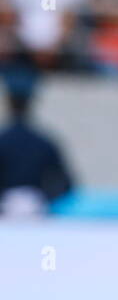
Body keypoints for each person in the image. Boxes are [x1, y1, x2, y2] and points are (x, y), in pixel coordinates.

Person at [0, 72, 75, 217]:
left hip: (16, 208)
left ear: (8, 102)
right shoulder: (44, 142)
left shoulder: (3, 140)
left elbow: (66, 182)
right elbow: (66, 183)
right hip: (34, 209)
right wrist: (44, 199)